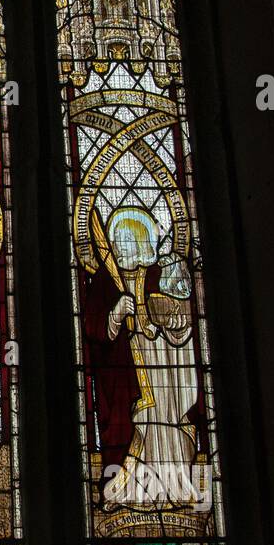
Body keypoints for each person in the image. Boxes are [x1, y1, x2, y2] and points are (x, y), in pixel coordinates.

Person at [86, 206, 202, 511]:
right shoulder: (103, 280)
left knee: (167, 420)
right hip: (125, 373)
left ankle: (177, 488)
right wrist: (115, 315)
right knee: (137, 424)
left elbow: (183, 315)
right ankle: (127, 490)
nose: (122, 248)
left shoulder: (157, 274)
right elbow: (92, 327)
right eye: (118, 241)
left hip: (161, 368)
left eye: (129, 241)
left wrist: (169, 321)